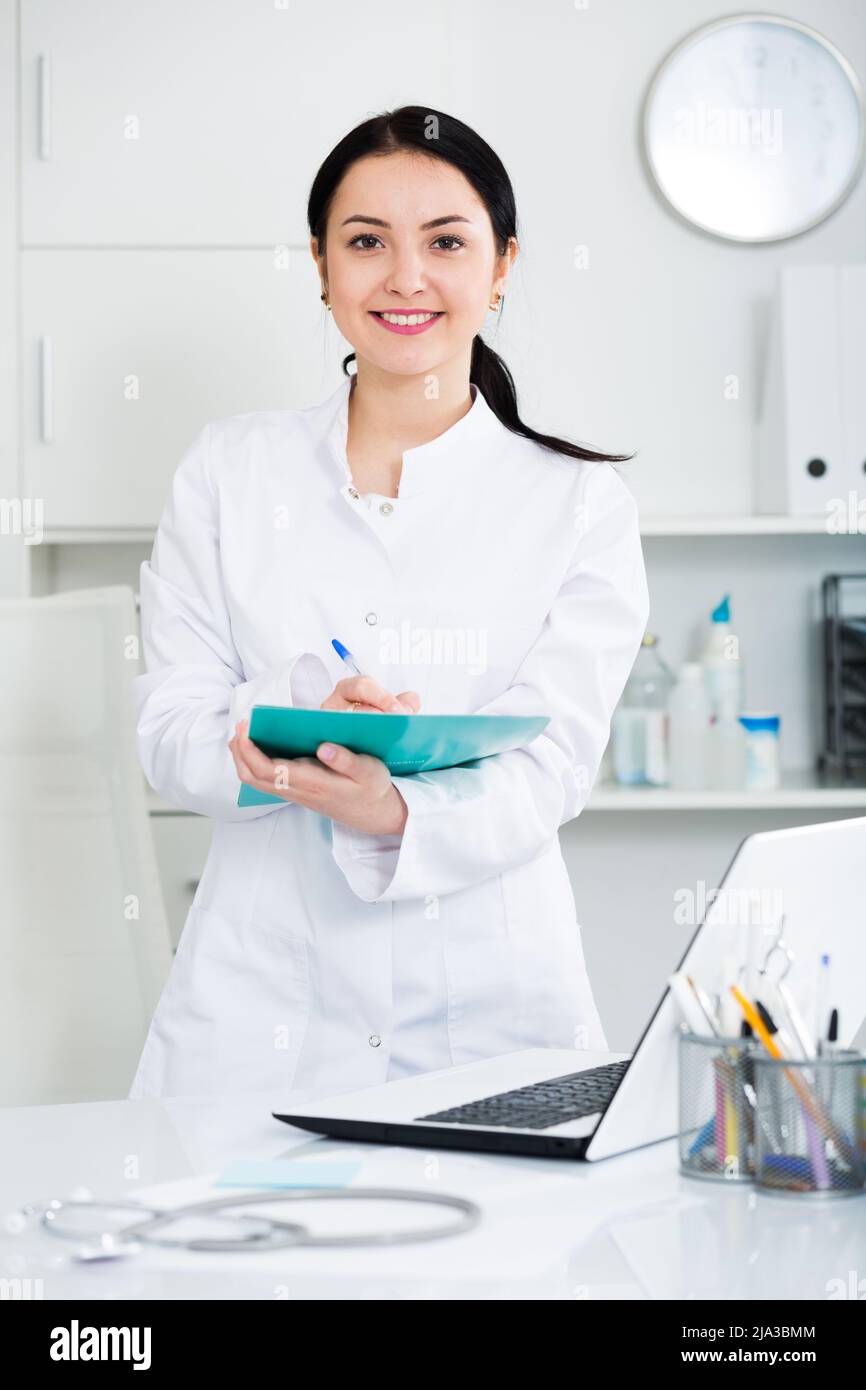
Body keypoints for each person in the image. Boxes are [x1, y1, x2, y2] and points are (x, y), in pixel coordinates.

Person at [128, 105, 650, 1100]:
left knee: (498, 1251)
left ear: (500, 267)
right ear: (321, 266)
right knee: (228, 1251)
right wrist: (296, 723)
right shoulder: (229, 472)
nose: (405, 277)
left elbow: (550, 764)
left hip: (492, 1009)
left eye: (445, 242)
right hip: (257, 1006)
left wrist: (397, 808)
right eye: (365, 242)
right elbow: (169, 732)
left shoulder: (577, 505)